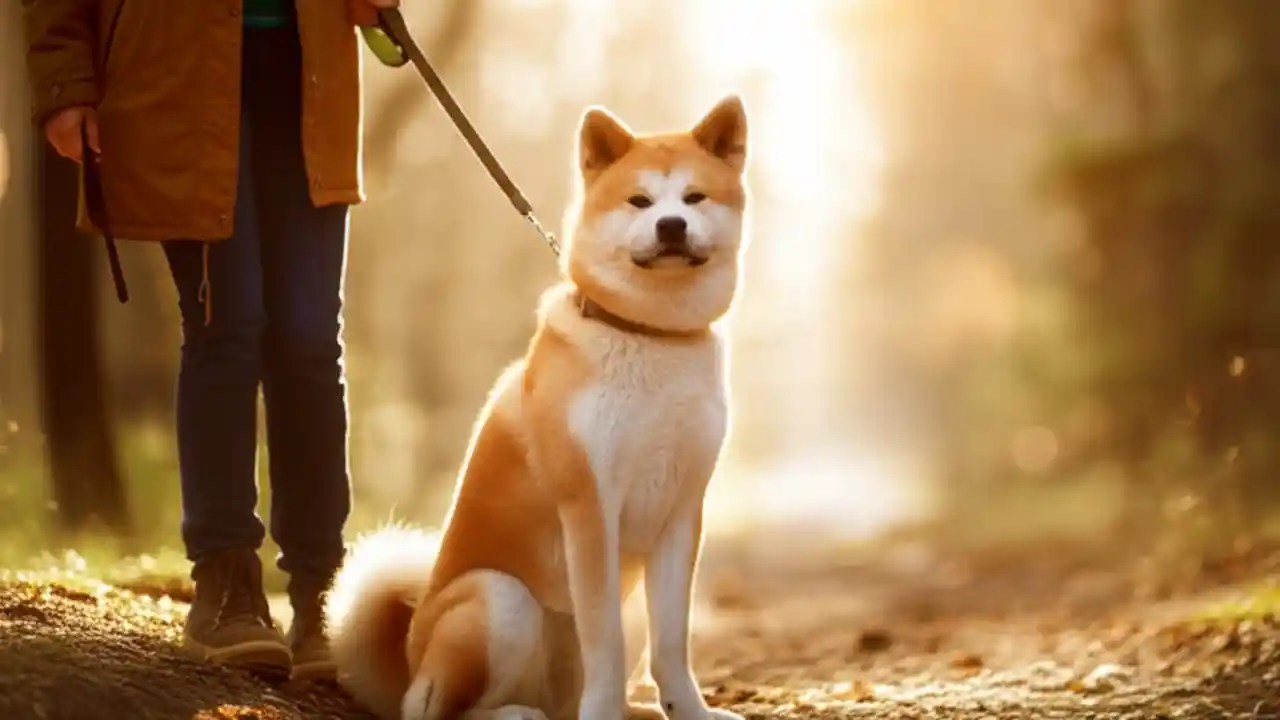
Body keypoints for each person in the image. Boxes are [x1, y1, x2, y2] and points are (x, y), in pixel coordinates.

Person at [22, 0, 399, 679]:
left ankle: (322, 591)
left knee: (310, 340)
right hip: (171, 77)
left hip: (309, 73)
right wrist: (63, 83)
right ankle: (224, 581)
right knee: (228, 327)